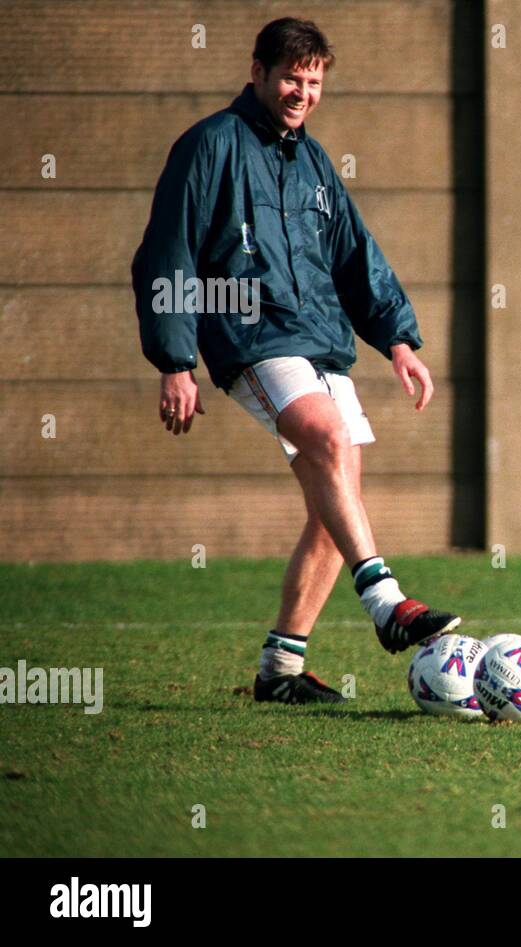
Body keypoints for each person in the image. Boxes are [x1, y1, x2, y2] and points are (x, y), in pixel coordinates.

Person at [131, 17, 460, 704]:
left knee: (335, 505)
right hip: (252, 334)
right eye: (290, 78)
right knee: (328, 440)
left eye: (313, 83)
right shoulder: (209, 146)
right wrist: (175, 359)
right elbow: (169, 253)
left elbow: (354, 256)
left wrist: (398, 339)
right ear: (256, 71)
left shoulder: (312, 161)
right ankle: (387, 602)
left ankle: (281, 669)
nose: (301, 94)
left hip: (321, 339)